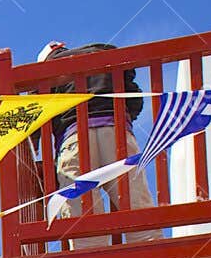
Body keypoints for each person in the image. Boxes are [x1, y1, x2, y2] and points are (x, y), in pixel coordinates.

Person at [39, 41, 157, 247]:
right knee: (136, 203)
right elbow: (134, 98)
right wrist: (126, 117)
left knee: (81, 210)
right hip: (117, 132)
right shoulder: (105, 53)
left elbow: (36, 116)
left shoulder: (44, 75)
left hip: (74, 138)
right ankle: (151, 251)